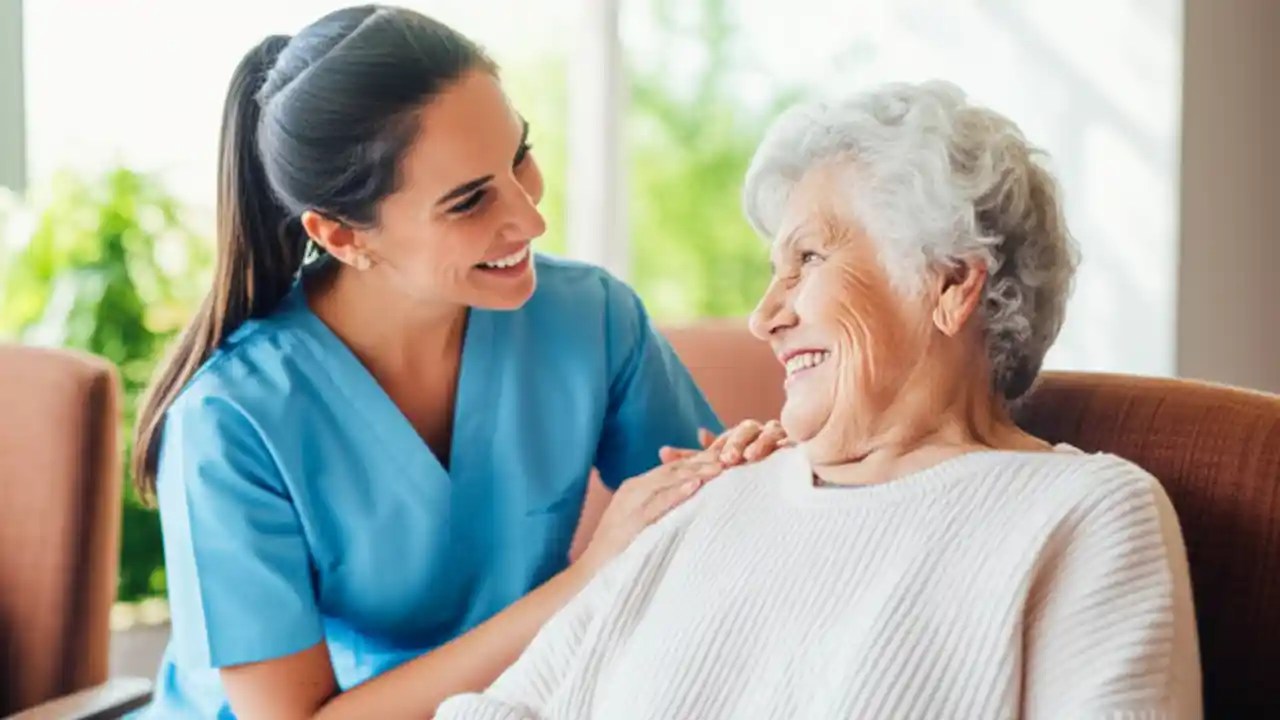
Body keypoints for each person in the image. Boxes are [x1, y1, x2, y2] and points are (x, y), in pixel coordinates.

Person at [435, 80, 1203, 719]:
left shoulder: (1083, 513)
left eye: (808, 257)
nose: (764, 316)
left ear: (949, 282)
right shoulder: (721, 493)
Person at [131, 6, 786, 718]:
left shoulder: (590, 321)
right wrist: (591, 575)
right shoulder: (229, 421)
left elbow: (709, 538)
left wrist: (767, 474)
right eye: (470, 201)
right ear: (343, 235)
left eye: (519, 158)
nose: (531, 219)